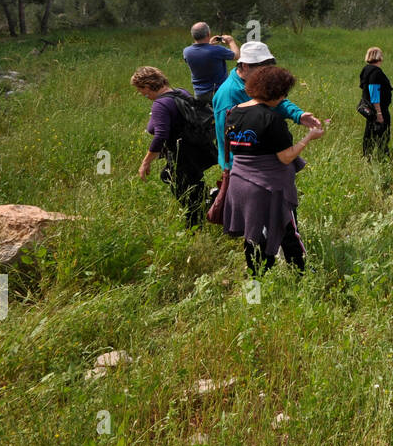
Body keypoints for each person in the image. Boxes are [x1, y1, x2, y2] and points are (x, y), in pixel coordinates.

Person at [221, 66, 326, 274]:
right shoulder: (272, 120)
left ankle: (256, 275)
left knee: (254, 233)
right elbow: (286, 157)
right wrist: (309, 137)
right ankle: (300, 271)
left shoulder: (233, 113)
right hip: (269, 187)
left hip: (240, 183)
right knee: (287, 228)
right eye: (284, 93)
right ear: (277, 93)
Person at [213, 41, 320, 175]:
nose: (266, 75)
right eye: (262, 70)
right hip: (241, 167)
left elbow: (276, 100)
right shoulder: (228, 95)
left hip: (263, 161)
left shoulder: (255, 84)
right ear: (245, 66)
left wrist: (298, 114)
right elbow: (231, 138)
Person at [132, 66, 216, 228]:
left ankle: (197, 224)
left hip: (181, 154)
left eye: (141, 90)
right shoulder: (181, 92)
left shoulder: (160, 105)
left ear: (147, 86)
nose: (142, 94)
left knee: (186, 192)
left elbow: (160, 135)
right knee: (176, 179)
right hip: (197, 149)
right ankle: (211, 198)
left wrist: (145, 162)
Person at [183, 22, 240, 104]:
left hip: (199, 94)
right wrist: (231, 41)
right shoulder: (217, 50)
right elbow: (236, 56)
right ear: (208, 34)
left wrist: (209, 44)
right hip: (218, 92)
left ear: (193, 35)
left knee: (205, 116)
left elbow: (202, 53)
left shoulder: (186, 51)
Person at [360, 47, 392, 159]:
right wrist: (379, 113)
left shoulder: (366, 70)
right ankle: (382, 157)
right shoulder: (376, 72)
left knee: (369, 133)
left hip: (370, 109)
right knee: (382, 135)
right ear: (380, 57)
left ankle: (367, 156)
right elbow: (374, 93)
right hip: (378, 109)